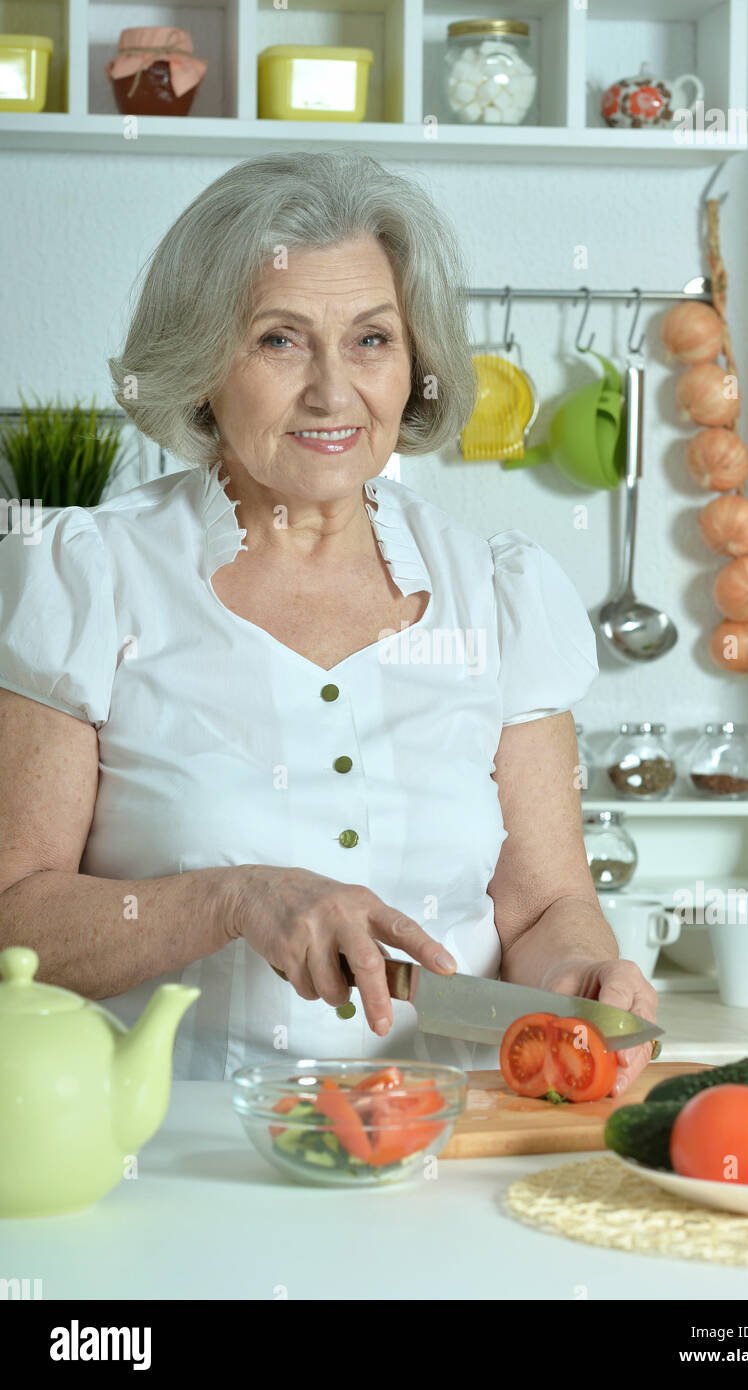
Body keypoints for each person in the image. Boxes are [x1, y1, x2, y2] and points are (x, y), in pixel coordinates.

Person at [0, 151, 657, 1087]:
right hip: (166, 1160)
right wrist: (235, 900)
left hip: (440, 1148)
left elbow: (546, 905)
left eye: (371, 340)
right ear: (199, 366)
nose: (332, 391)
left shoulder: (498, 593)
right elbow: (15, 919)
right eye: (280, 339)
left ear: (413, 362)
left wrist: (582, 979)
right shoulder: (92, 576)